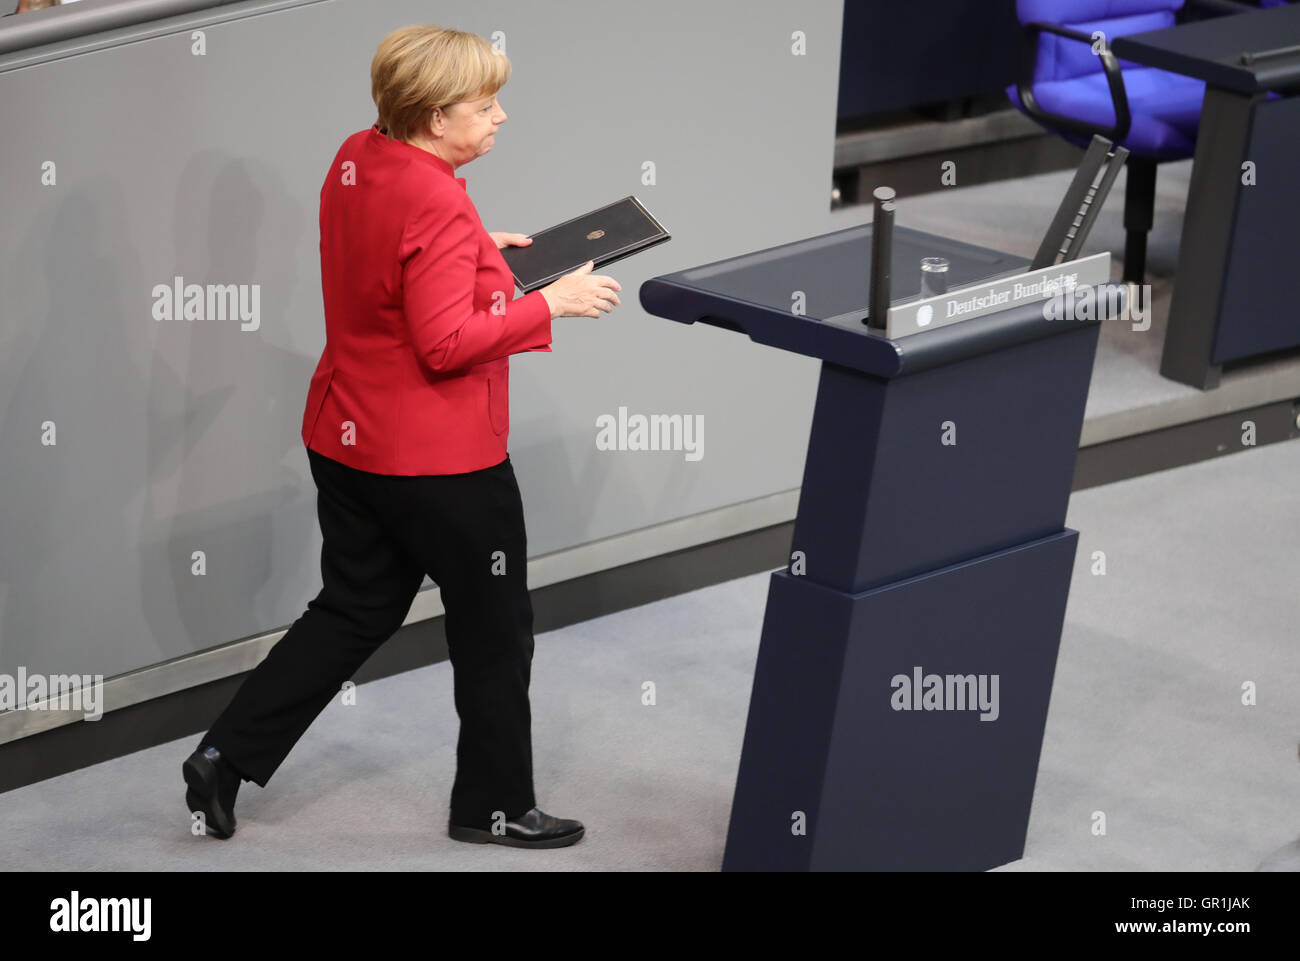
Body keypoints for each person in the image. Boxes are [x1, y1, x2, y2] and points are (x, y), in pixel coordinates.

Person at [182, 24, 621, 850]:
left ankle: (224, 754)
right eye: (484, 105)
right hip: (439, 464)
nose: (500, 118)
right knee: (493, 630)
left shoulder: (360, 154)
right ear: (431, 116)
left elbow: (380, 256)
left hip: (346, 440)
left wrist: (478, 255)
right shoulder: (438, 200)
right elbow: (446, 342)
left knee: (351, 608)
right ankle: (493, 806)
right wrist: (547, 303)